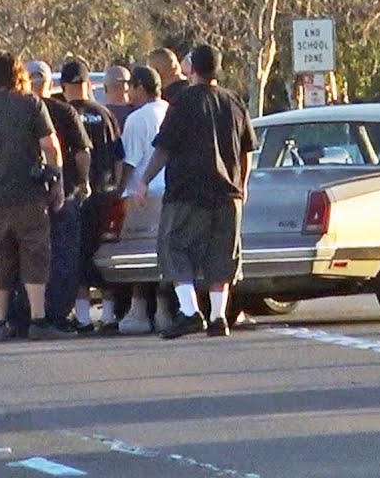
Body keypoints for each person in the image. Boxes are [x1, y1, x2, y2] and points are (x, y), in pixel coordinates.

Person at [135, 44, 256, 339]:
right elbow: (247, 150)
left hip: (188, 191)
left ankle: (190, 312)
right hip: (228, 193)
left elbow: (165, 147)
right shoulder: (234, 102)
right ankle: (218, 317)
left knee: (174, 248)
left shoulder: (183, 102)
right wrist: (242, 185)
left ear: (193, 68)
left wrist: (144, 180)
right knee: (222, 256)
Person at [0, 53, 71, 341]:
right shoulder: (31, 104)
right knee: (35, 254)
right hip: (29, 194)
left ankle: (0, 322)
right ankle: (38, 319)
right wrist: (58, 183)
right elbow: (51, 146)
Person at [26, 60, 92, 333]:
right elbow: (82, 152)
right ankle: (58, 314)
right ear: (51, 83)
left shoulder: (21, 111)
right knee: (63, 257)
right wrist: (84, 182)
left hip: (28, 197)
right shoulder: (64, 111)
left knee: (32, 257)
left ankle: (30, 314)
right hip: (64, 196)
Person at [60, 59, 124, 333]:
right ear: (89, 84)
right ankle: (109, 315)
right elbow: (120, 157)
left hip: (74, 194)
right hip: (105, 194)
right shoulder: (105, 114)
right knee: (104, 254)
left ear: (63, 85)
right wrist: (117, 187)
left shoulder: (61, 115)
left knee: (77, 255)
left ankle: (84, 317)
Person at [116, 66, 172, 334]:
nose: (128, 94)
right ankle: (164, 308)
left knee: (138, 252)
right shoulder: (170, 111)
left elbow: (130, 160)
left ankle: (138, 310)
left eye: (131, 88)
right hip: (170, 190)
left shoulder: (137, 118)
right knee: (165, 251)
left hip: (143, 190)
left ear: (140, 87)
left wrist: (119, 190)